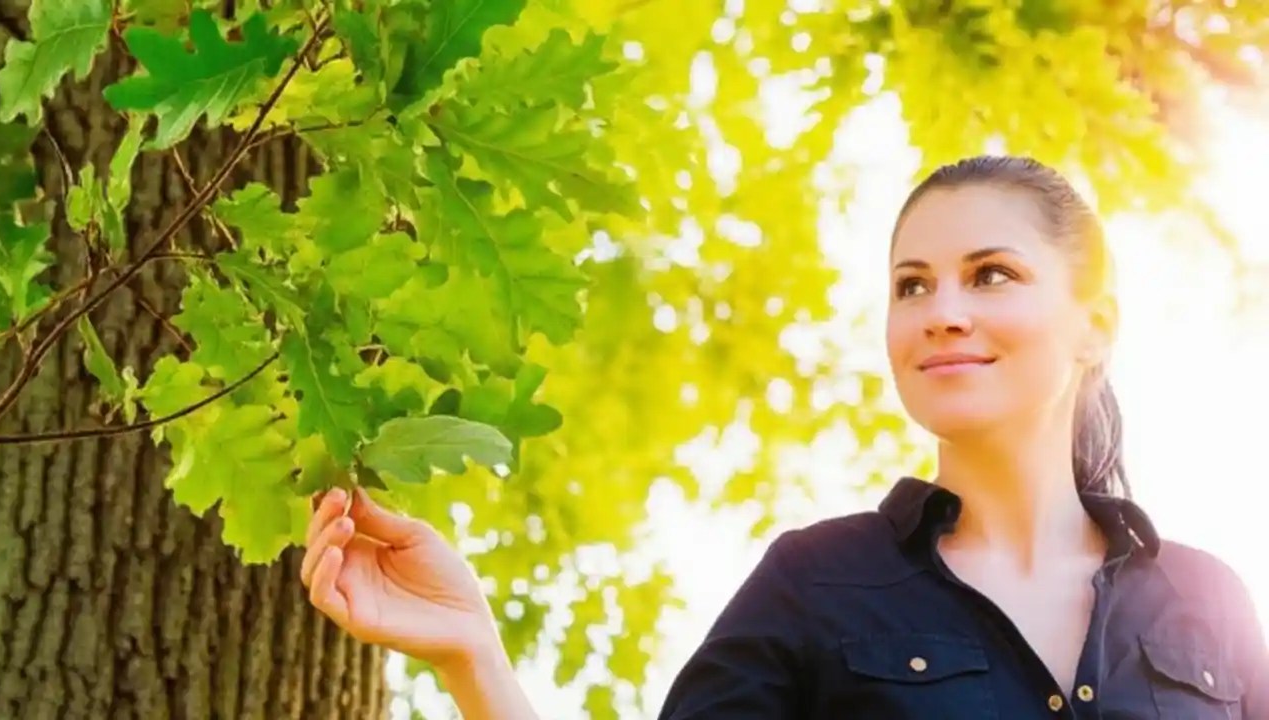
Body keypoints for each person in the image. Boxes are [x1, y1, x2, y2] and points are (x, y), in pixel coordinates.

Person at [300, 155, 1269, 719]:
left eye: (990, 274)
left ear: (1093, 322)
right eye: (910, 284)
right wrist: (473, 657)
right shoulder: (816, 584)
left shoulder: (1206, 602)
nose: (940, 311)